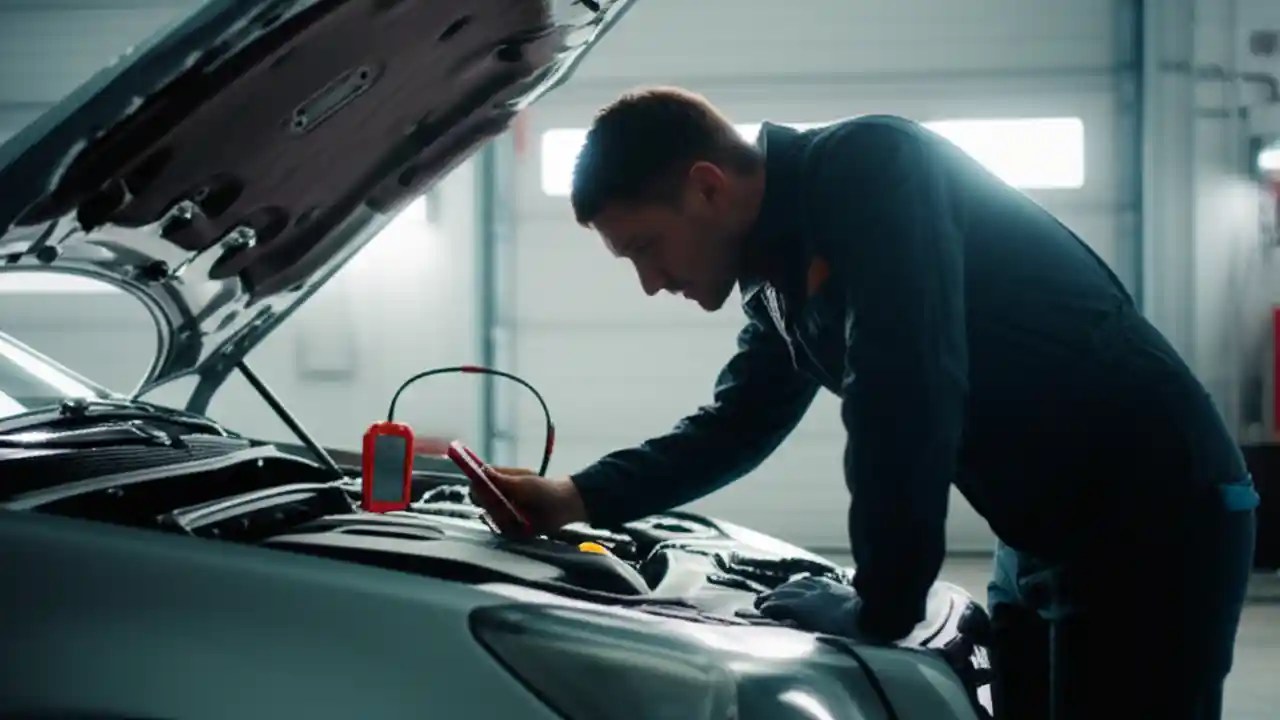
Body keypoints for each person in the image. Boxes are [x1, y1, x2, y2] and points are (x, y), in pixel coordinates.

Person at [471, 86, 1260, 719]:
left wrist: (882, 604)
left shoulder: (871, 168)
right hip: (1043, 539)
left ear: (705, 188)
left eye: (645, 247)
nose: (651, 281)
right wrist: (576, 497)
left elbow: (907, 382)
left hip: (1154, 522)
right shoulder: (782, 283)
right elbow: (737, 423)